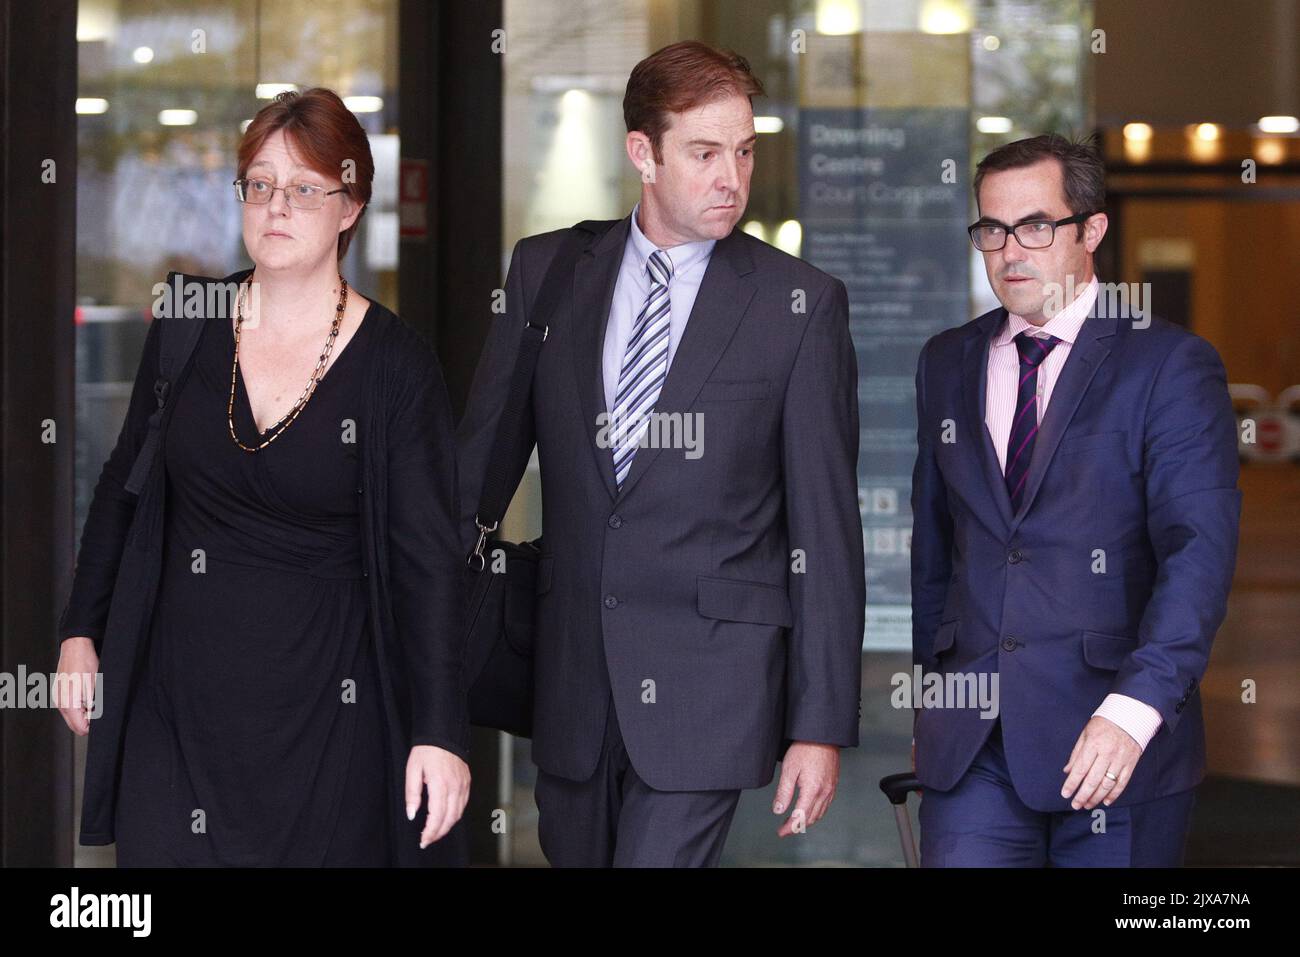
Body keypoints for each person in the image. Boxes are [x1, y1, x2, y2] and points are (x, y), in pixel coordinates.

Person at [457, 41, 865, 867]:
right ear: (642, 152)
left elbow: (824, 534)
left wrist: (818, 726)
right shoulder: (549, 271)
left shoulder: (799, 305)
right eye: (705, 153)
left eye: (745, 152)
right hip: (570, 678)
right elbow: (477, 475)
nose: (732, 178)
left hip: (710, 685)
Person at [55, 88, 470, 866]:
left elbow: (428, 565)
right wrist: (82, 628)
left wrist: (440, 730)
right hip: (173, 707)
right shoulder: (186, 321)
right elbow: (124, 481)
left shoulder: (396, 366)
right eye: (259, 183)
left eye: (306, 189)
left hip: (327, 722)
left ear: (349, 208)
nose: (277, 206)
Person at [909, 133, 1240, 866]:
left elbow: (1198, 553)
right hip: (974, 748)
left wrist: (1134, 710)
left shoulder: (1169, 365)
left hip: (1115, 737)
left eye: (1035, 225)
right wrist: (934, 698)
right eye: (991, 229)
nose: (1009, 251)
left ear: (1091, 230)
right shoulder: (947, 361)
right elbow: (935, 550)